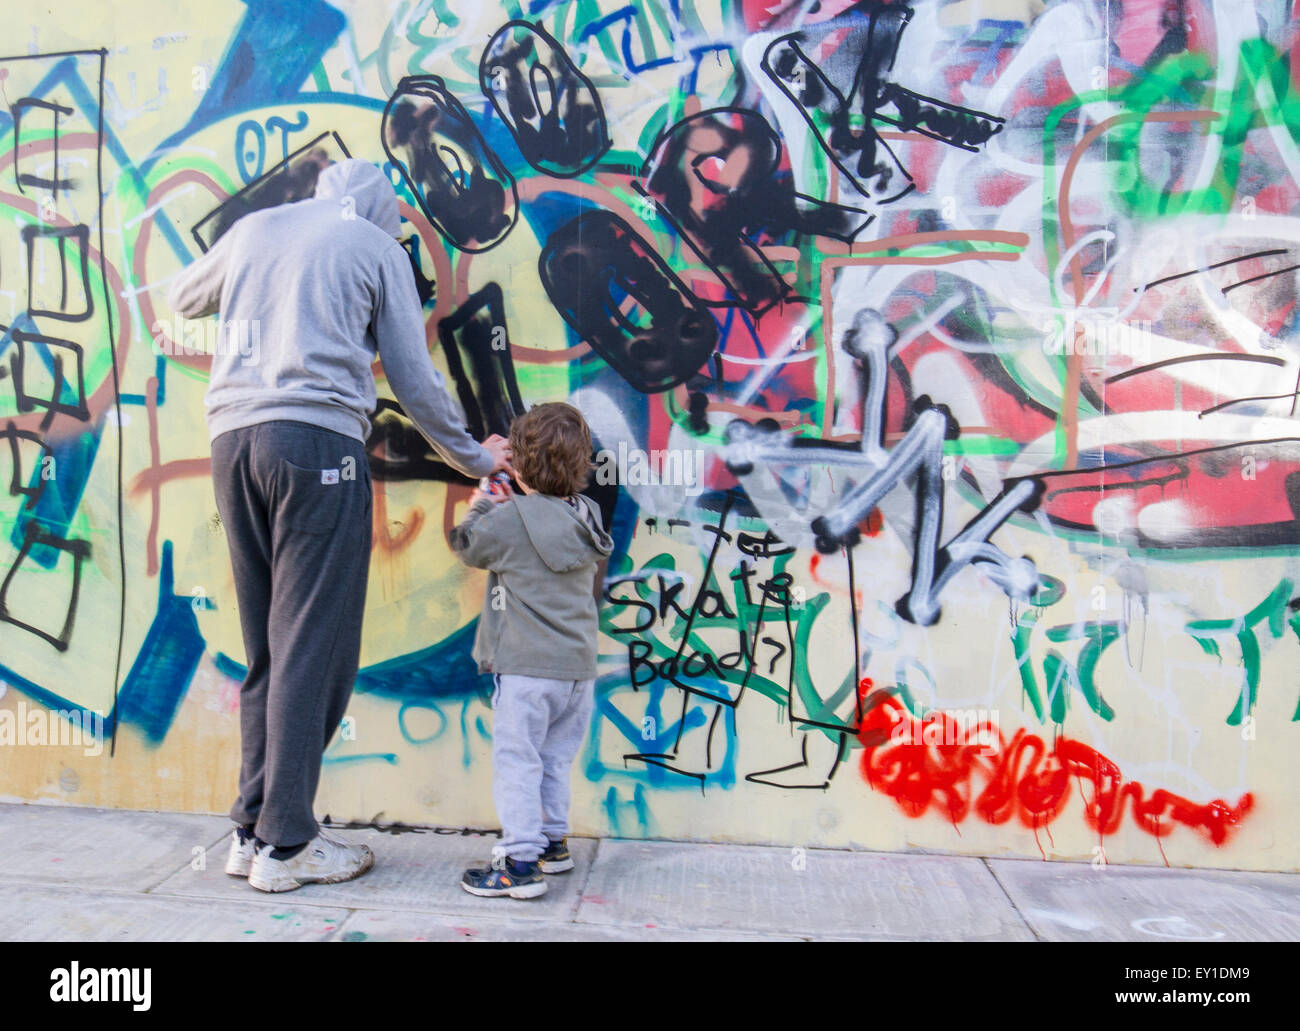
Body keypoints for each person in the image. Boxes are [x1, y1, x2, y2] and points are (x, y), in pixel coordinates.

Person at [165, 158, 510, 893]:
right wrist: (477, 457)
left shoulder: (257, 226)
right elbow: (415, 381)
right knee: (315, 647)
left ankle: (252, 828)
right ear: (383, 210)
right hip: (317, 445)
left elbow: (181, 296)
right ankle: (289, 846)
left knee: (267, 645)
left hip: (233, 443)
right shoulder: (375, 247)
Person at [448, 403, 612, 898]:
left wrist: (484, 497)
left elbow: (466, 544)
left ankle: (519, 866)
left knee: (519, 762)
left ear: (519, 463)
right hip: (578, 670)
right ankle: (551, 843)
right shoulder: (589, 514)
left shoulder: (510, 520)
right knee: (553, 760)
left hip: (526, 670)